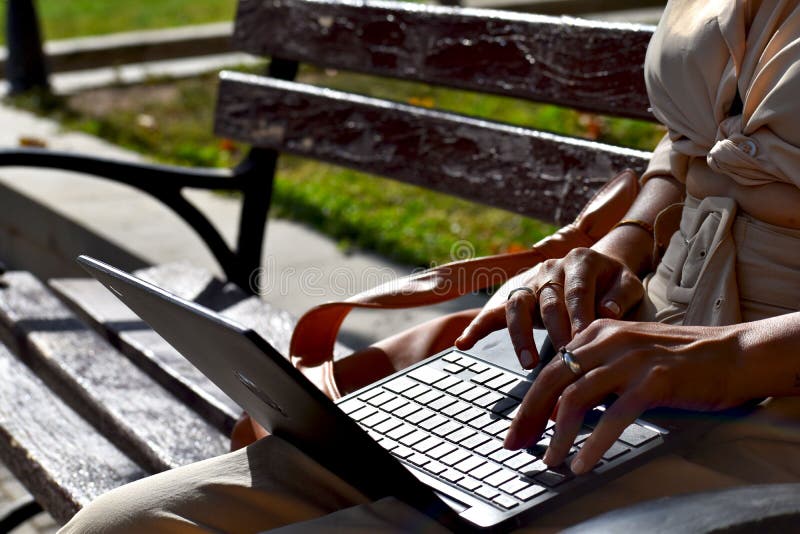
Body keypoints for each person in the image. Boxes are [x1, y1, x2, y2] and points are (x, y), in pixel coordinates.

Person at [59, 0, 800, 532]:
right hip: (607, 350)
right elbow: (688, 142)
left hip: (773, 409)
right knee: (125, 523)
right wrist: (620, 244)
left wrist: (734, 354)